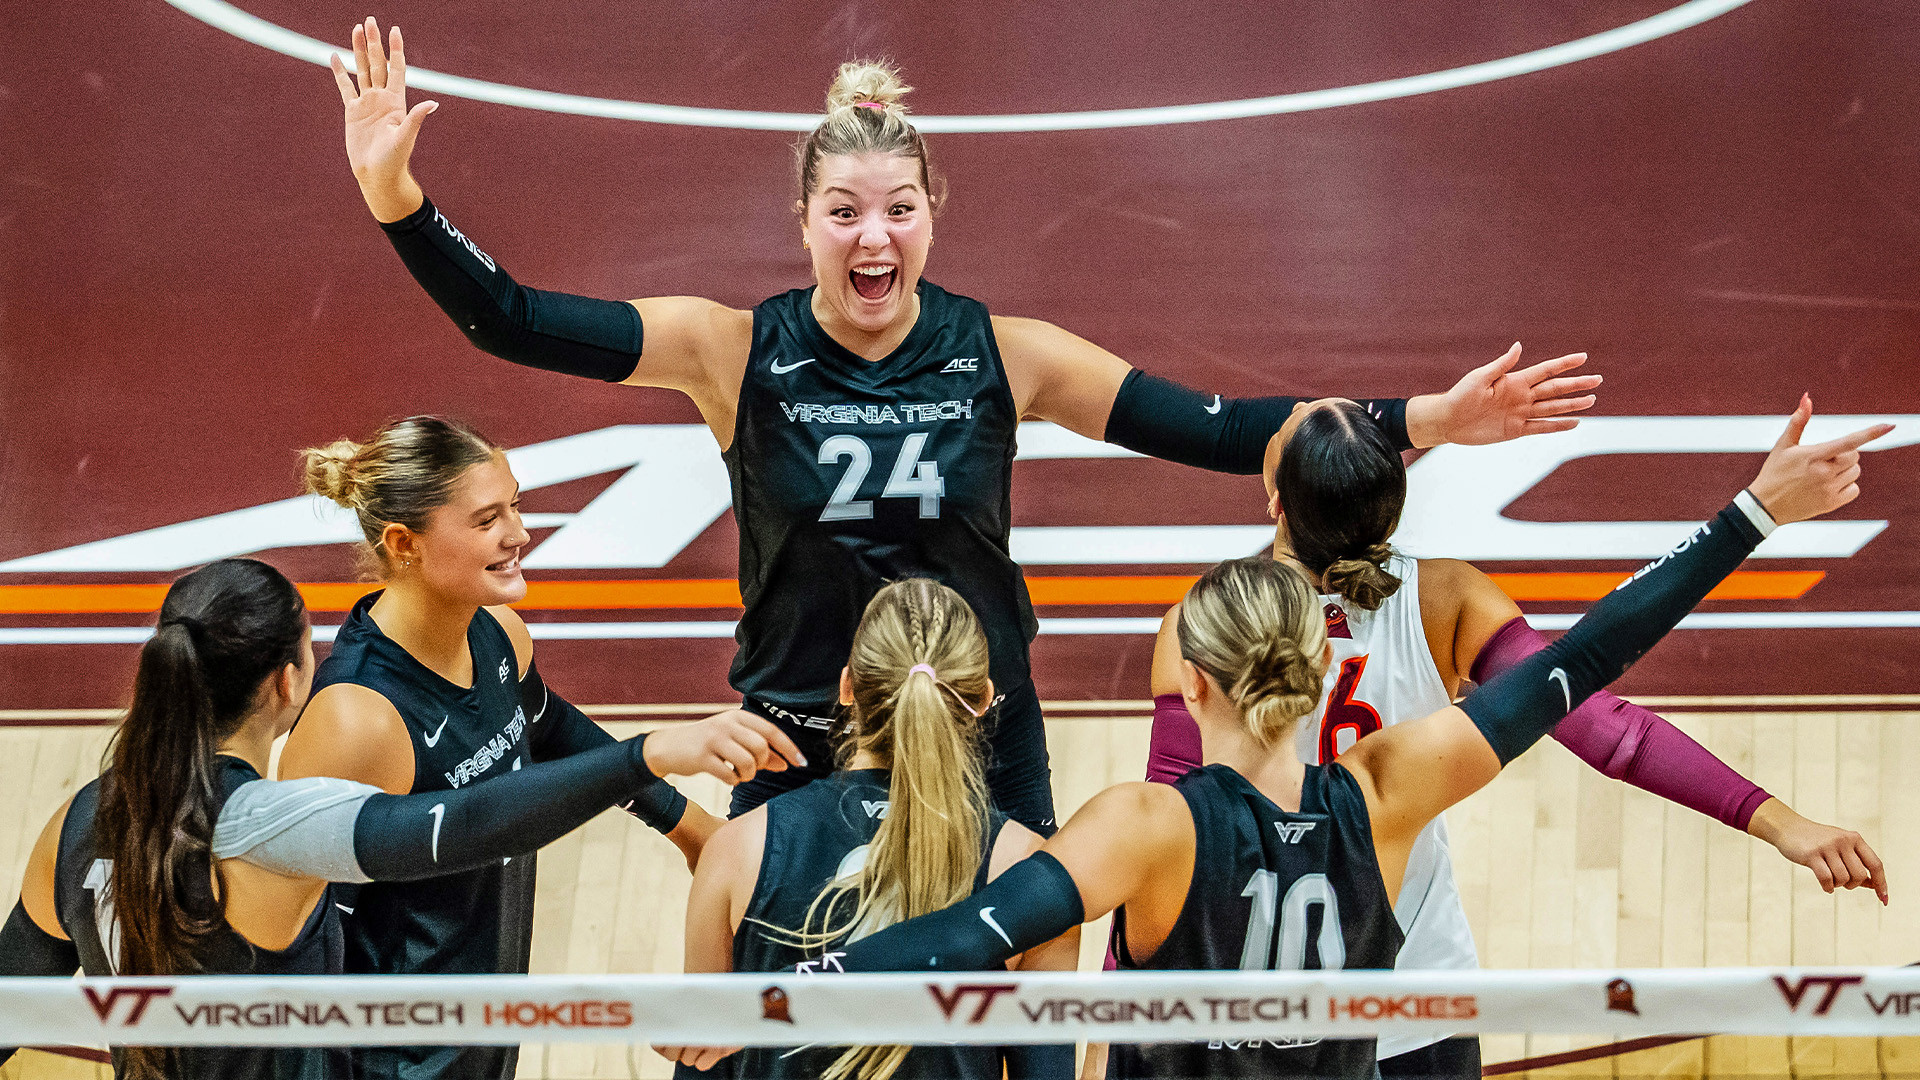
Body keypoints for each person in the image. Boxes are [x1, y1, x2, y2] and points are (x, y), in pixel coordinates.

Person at [331, 19, 1603, 833]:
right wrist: (398, 200)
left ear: (936, 206)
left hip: (984, 722)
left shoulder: (1010, 354)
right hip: (804, 729)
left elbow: (1216, 428)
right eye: (842, 212)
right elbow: (511, 320)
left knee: (1015, 1017)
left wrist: (1425, 418)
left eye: (896, 209)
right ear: (804, 219)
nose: (872, 238)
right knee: (791, 1024)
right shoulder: (732, 350)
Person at [786, 405, 1892, 1080]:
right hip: (1402, 988)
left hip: (1189, 1013)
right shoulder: (1394, 786)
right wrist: (1749, 513)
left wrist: (794, 990)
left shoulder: (1156, 822)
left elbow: (977, 935)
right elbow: (1595, 674)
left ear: (1202, 677)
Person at [1137, 395, 1888, 1078]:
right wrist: (1782, 822)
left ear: (1274, 499)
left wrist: (1114, 1013)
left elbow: (1168, 832)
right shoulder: (1447, 599)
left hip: (1244, 1001)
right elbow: (1608, 730)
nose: (1295, 406)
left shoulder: (1202, 626)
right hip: (1411, 988)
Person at [0, 558, 796, 1080]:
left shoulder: (69, 828)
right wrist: (644, 756)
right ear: (289, 681)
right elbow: (464, 827)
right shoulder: (270, 828)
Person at [276, 415, 804, 1080]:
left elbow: (548, 727)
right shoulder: (358, 721)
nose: (519, 534)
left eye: (516, 506)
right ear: (404, 543)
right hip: (392, 1060)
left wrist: (688, 826)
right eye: (487, 519)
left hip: (483, 1022)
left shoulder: (497, 633)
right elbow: (299, 936)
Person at [658, 580, 1080, 1080]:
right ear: (985, 699)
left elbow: (701, 1061)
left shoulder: (734, 850)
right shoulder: (1031, 871)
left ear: (845, 689)